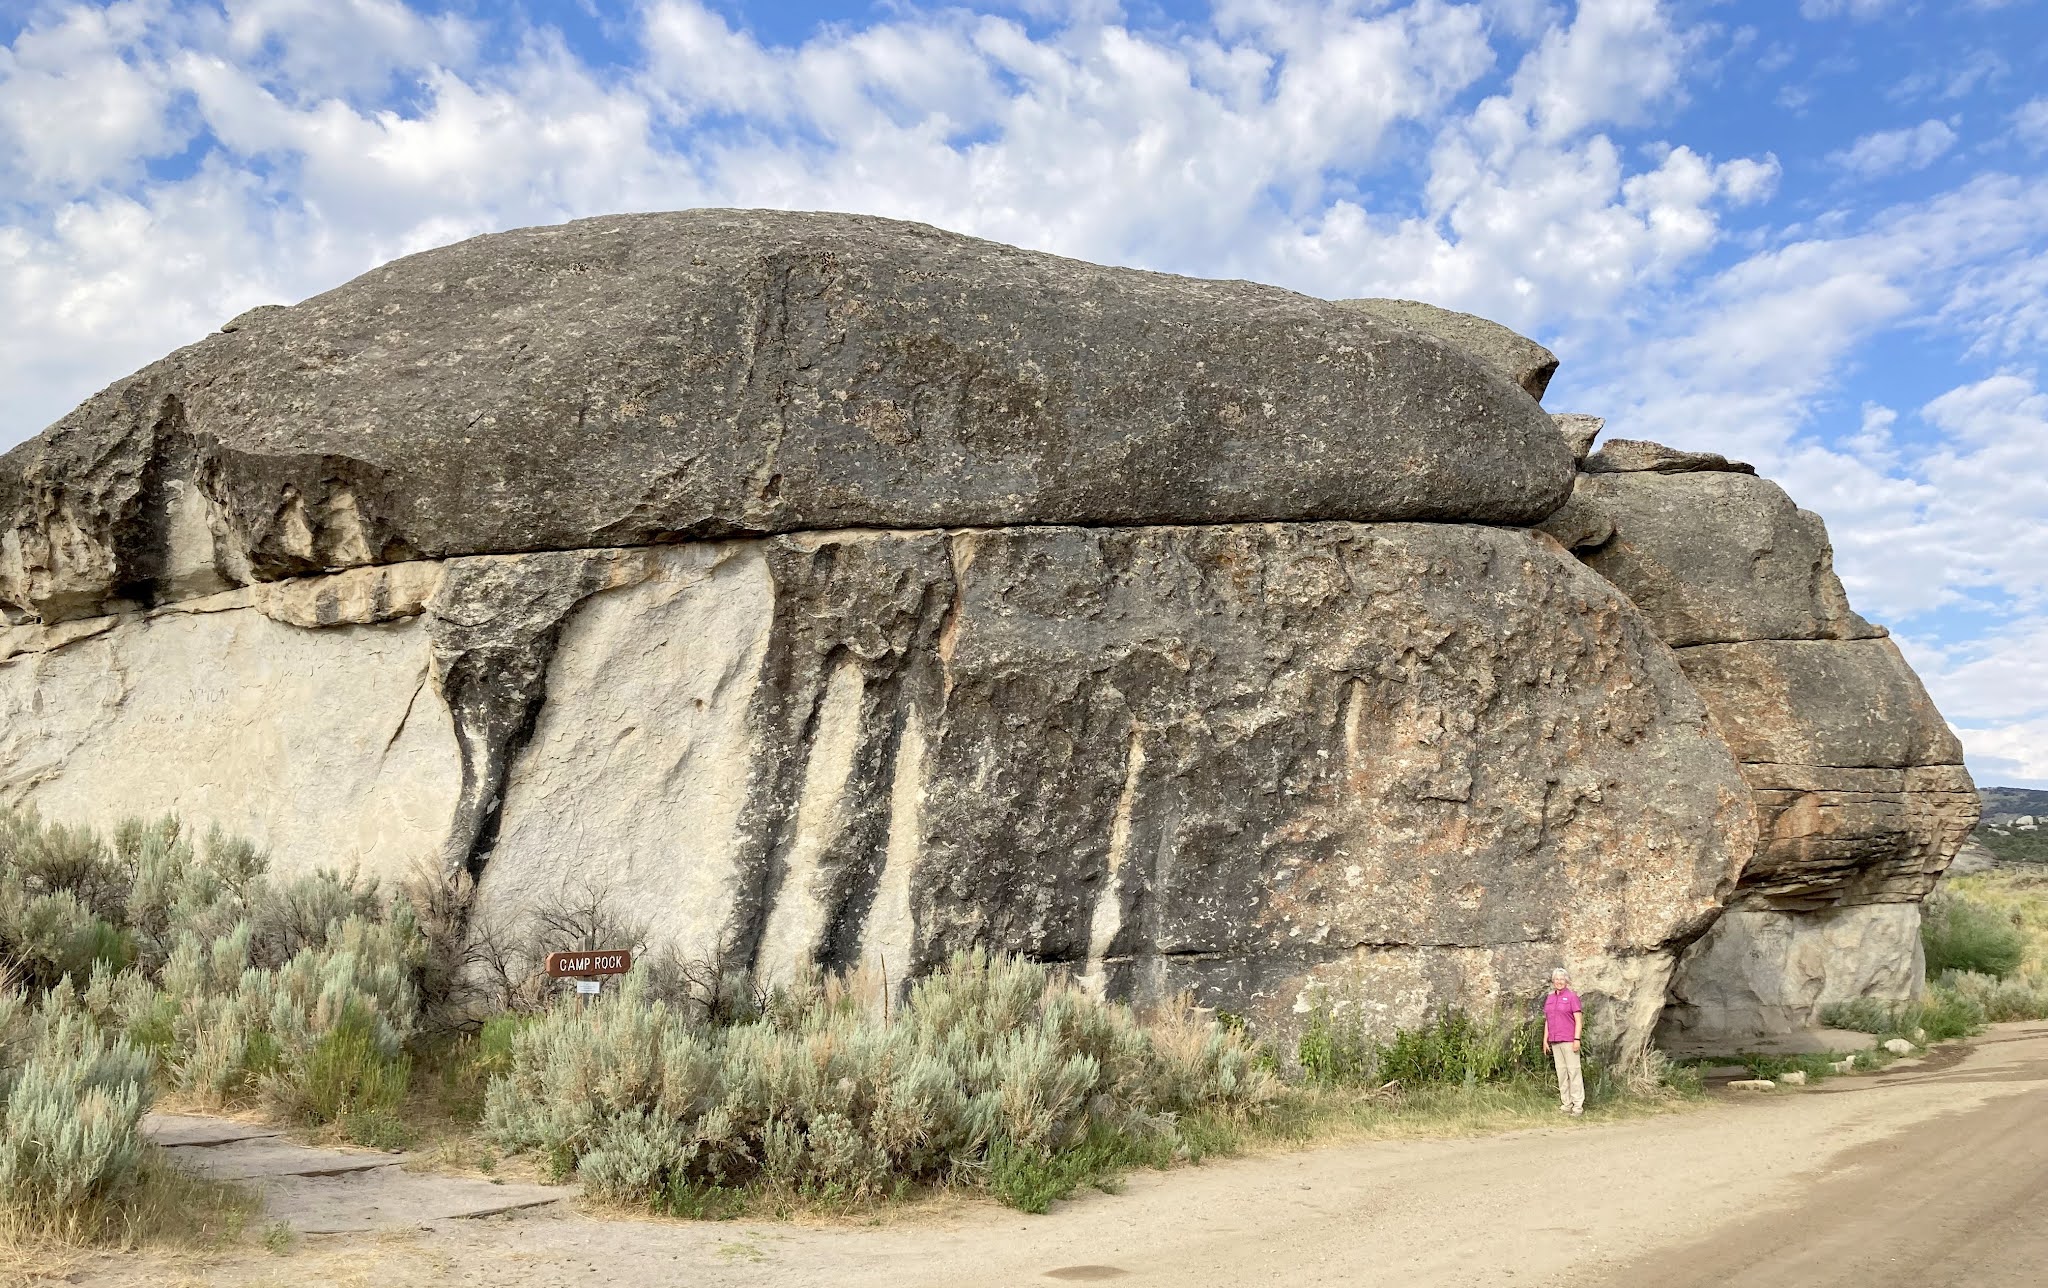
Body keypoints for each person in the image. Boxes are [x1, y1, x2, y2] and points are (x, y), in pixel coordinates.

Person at [1543, 967, 1584, 1116]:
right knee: (1561, 1073)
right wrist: (1545, 1039)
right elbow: (1547, 1020)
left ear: (1566, 981)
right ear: (1553, 981)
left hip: (1569, 1039)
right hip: (1555, 1040)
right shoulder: (1550, 998)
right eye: (1556, 979)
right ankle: (1566, 1103)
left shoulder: (1572, 997)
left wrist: (1577, 1039)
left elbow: (1579, 1020)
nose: (1559, 981)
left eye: (1562, 979)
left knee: (1574, 1072)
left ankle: (1577, 1106)